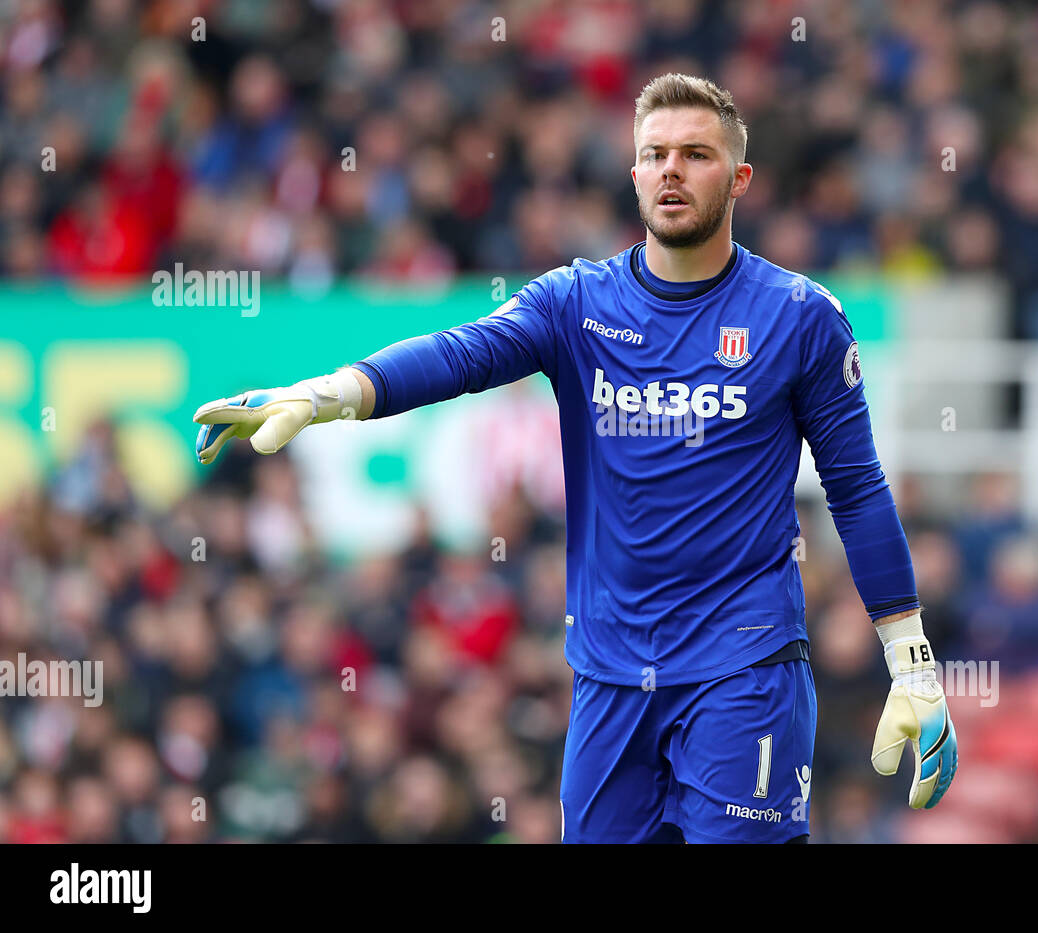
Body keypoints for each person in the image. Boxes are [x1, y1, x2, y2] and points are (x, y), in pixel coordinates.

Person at [193, 74, 957, 843]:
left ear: (739, 178)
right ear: (633, 174)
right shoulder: (576, 304)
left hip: (744, 670)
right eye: (654, 154)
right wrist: (332, 394)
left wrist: (912, 659)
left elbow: (856, 489)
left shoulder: (800, 317)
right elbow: (463, 354)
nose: (671, 170)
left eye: (696, 154)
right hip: (609, 677)